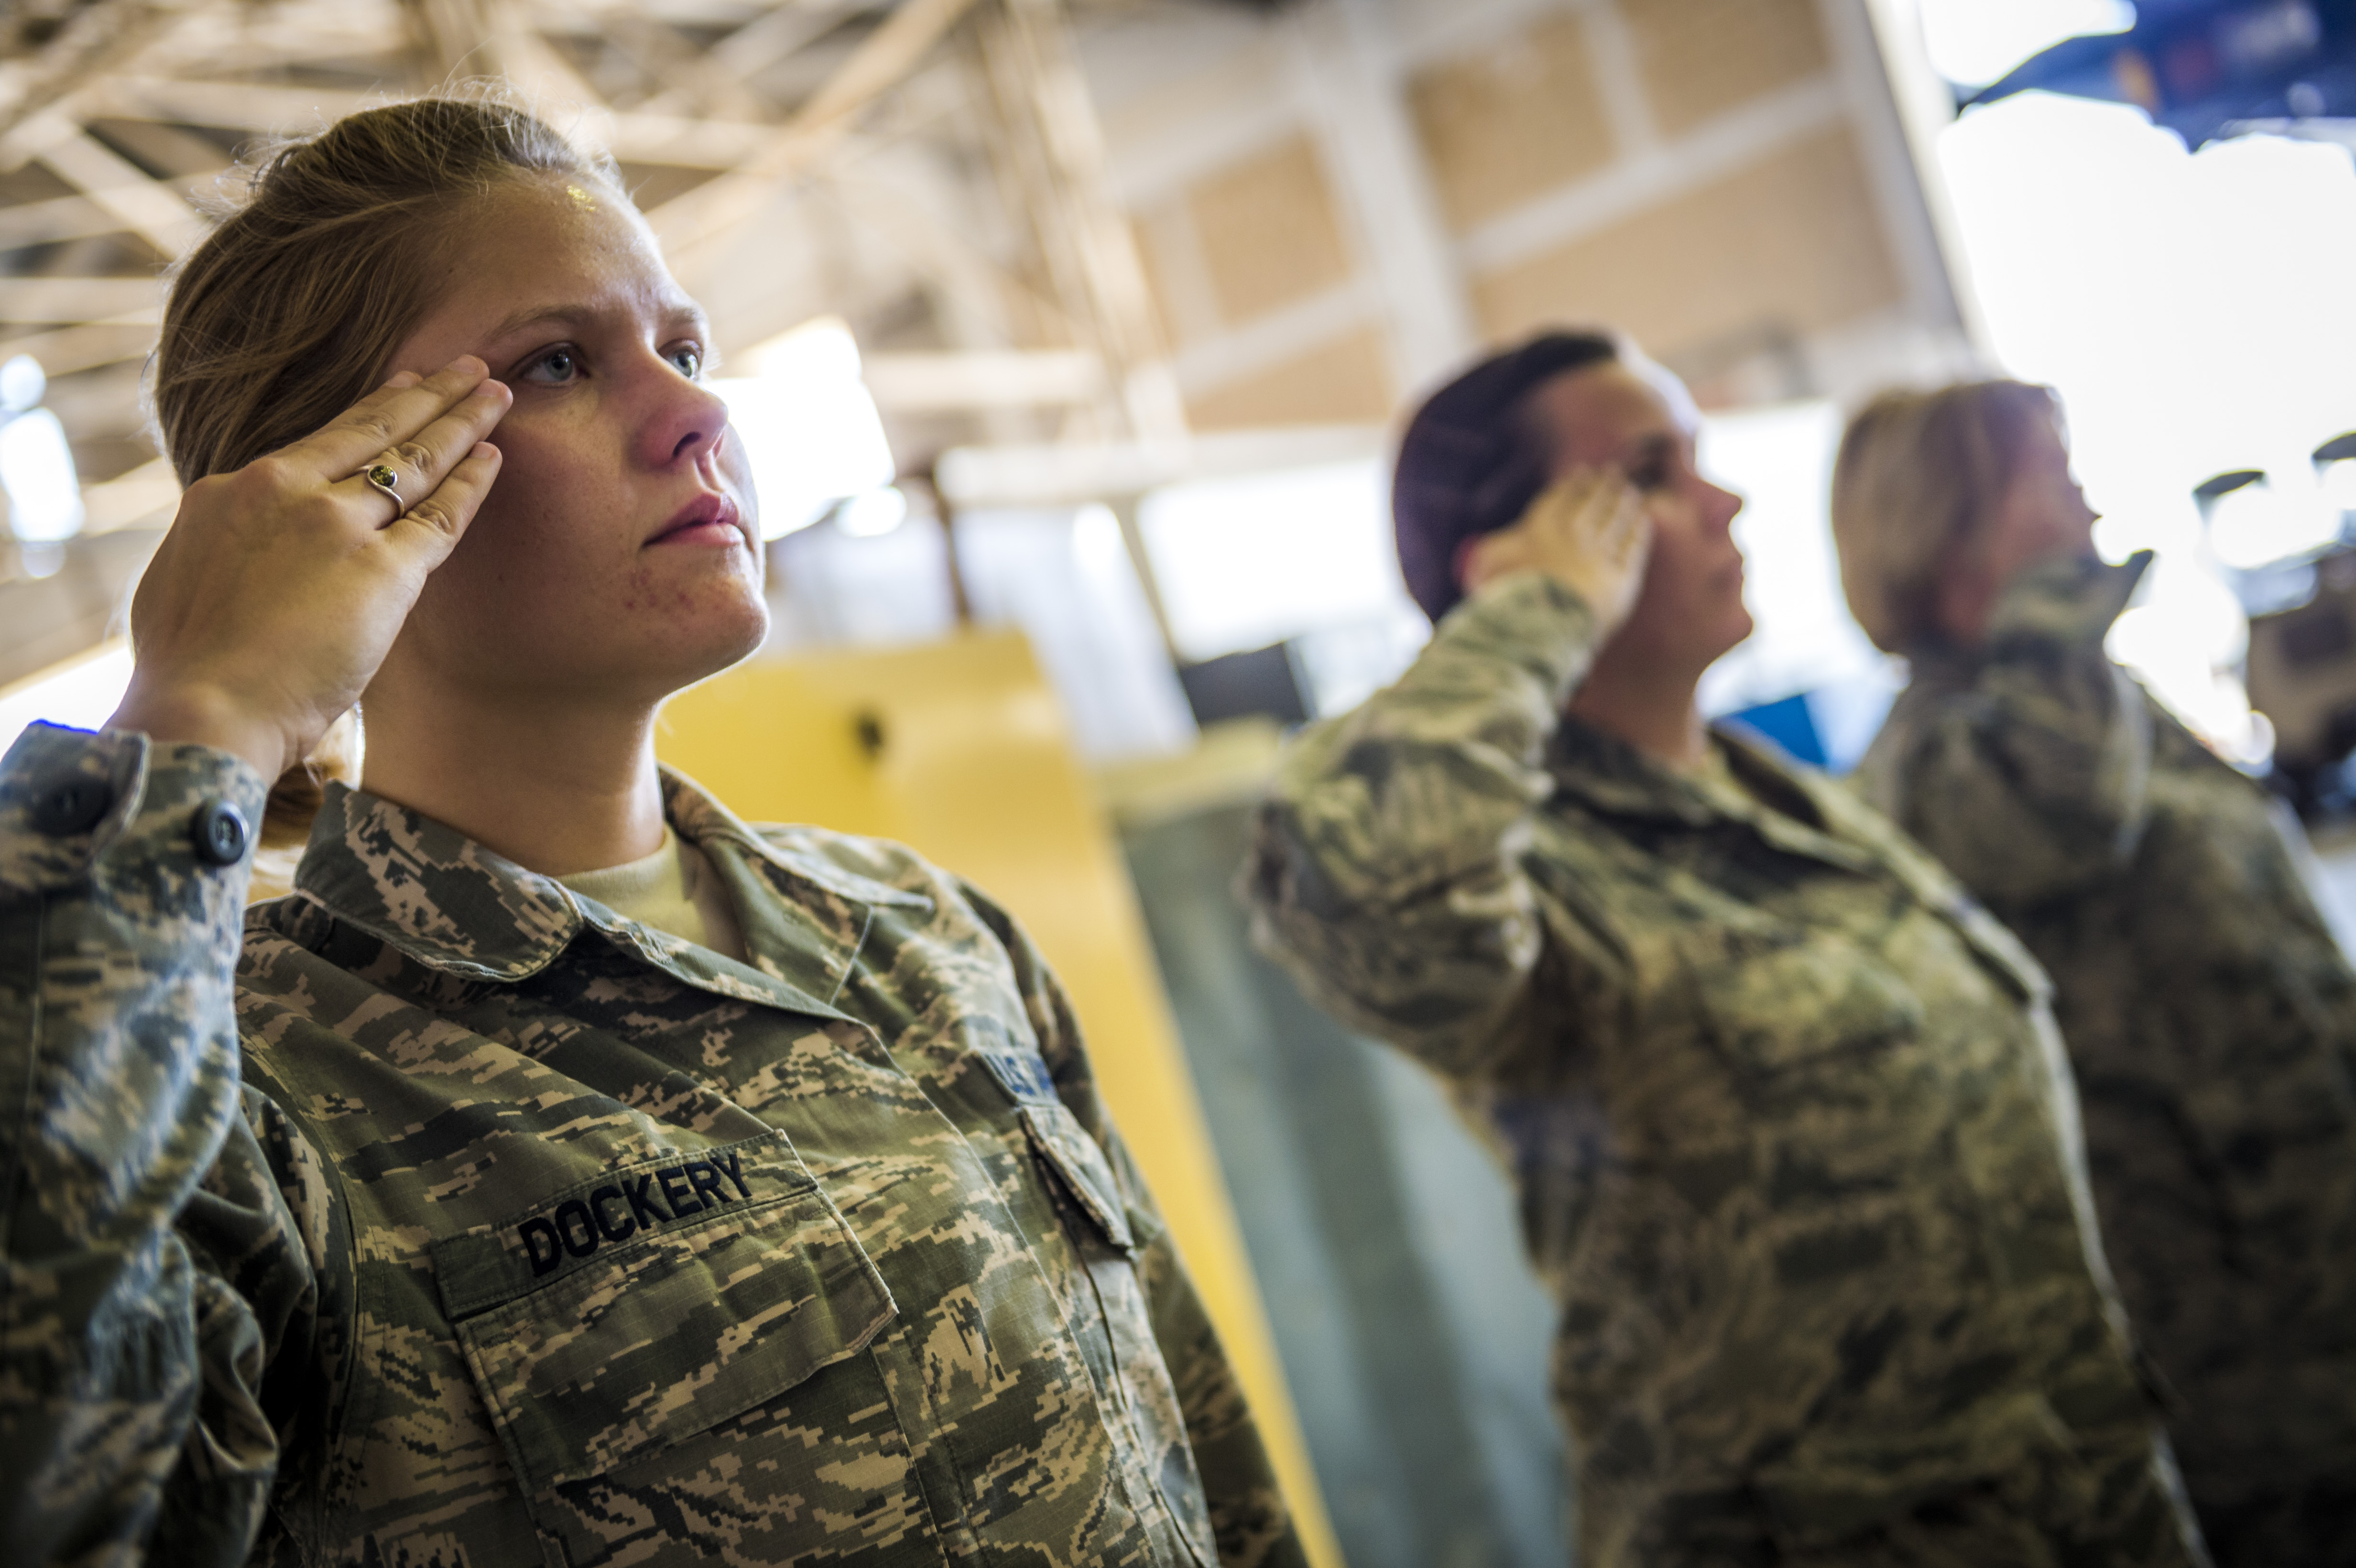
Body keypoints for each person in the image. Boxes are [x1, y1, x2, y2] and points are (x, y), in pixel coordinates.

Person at [0, 95, 1304, 1568]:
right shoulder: (244, 1089)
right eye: (557, 364)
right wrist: (202, 714)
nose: (701, 414)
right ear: (335, 502)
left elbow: (1210, 1460)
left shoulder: (929, 937)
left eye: (684, 350)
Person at [1241, 330, 2206, 1568]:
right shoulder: (1526, 862)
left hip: (2075, 1507)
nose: (1724, 500)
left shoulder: (1781, 800)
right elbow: (1373, 882)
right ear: (1511, 563)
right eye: (1652, 474)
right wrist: (1534, 613)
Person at [1832, 379, 2356, 1567]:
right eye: (2046, 477)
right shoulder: (1947, 756)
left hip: (2314, 1254)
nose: (2082, 503)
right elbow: (2064, 819)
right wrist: (2049, 605)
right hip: (2242, 1344)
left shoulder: (2089, 699)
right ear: (1954, 521)